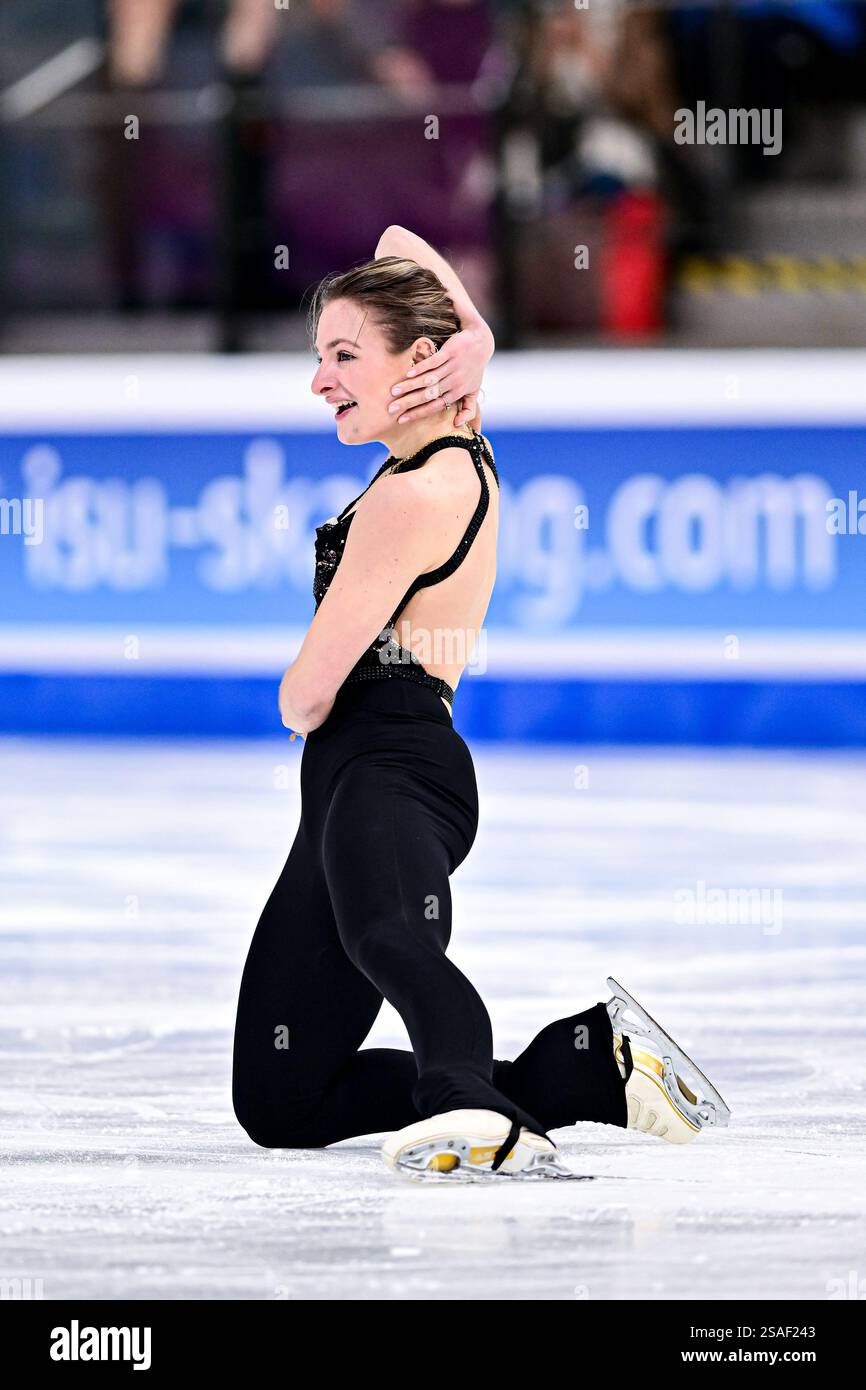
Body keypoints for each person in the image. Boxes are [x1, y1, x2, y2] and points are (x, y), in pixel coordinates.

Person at [231, 223, 729, 1178]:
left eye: (343, 355)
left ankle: (468, 1103)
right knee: (280, 1098)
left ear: (416, 361)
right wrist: (477, 333)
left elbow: (304, 696)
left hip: (386, 763)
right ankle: (591, 1070)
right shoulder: (460, 437)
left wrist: (467, 332)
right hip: (358, 779)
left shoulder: (413, 497)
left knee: (392, 939)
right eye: (319, 356)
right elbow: (397, 241)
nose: (320, 379)